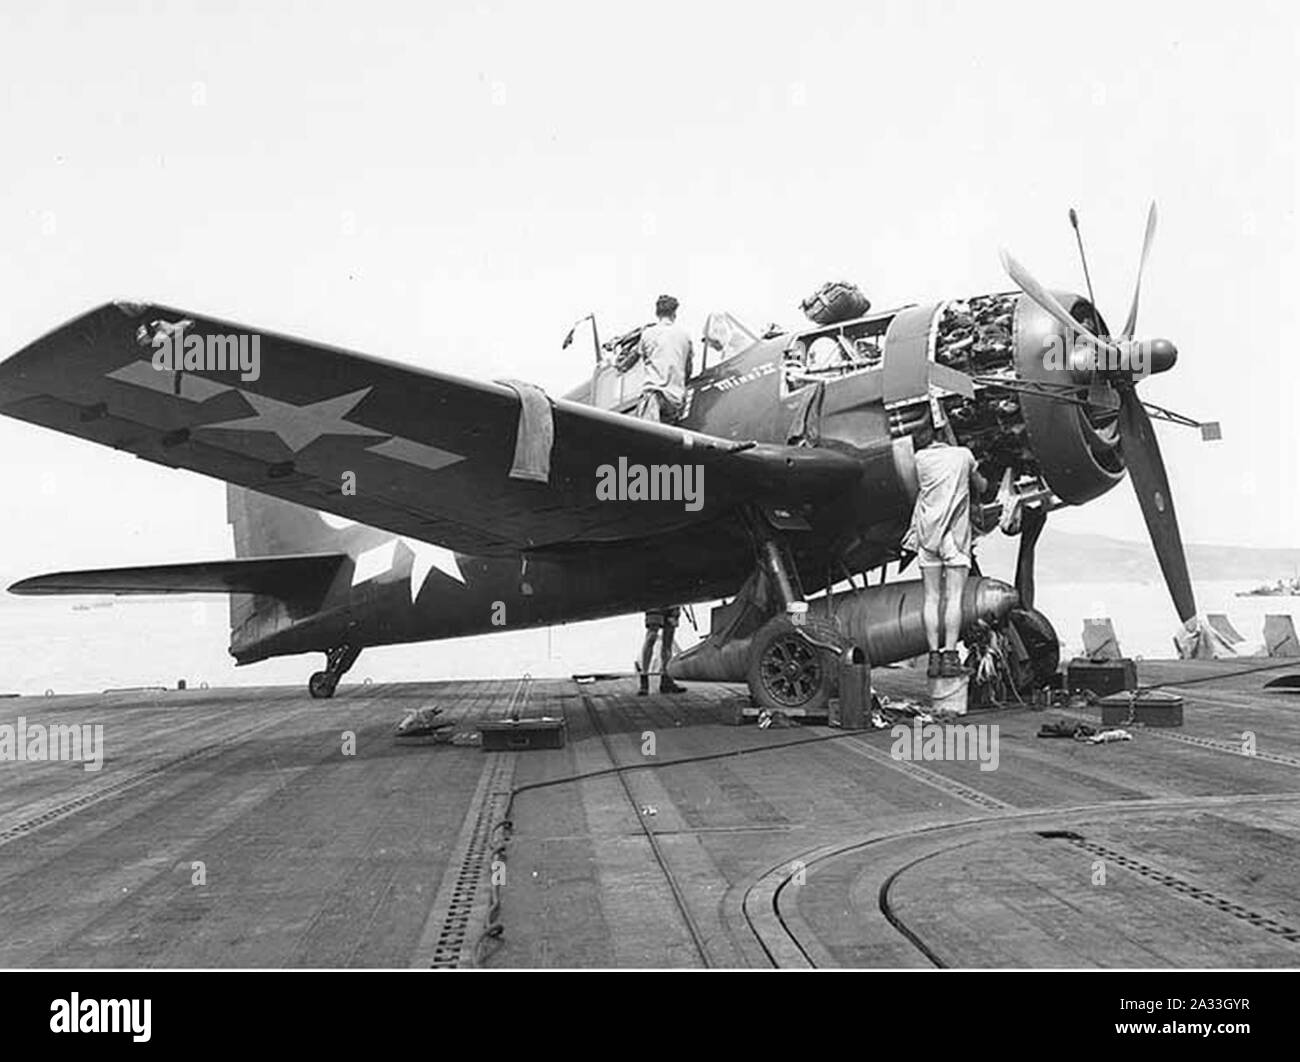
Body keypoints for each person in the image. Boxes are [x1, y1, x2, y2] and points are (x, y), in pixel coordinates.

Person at [904, 414, 988, 679]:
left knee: (931, 599)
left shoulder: (918, 461)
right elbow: (982, 486)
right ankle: (950, 657)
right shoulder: (963, 455)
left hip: (927, 536)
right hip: (954, 537)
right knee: (954, 599)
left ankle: (933, 658)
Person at [623, 294, 693, 424]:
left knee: (645, 439)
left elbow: (635, 361)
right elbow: (688, 370)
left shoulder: (647, 334)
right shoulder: (685, 336)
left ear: (657, 313)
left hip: (654, 397)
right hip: (675, 400)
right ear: (674, 314)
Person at [639, 606, 685, 695]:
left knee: (668, 640)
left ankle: (666, 680)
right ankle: (644, 679)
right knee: (651, 636)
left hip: (673, 602)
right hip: (655, 601)